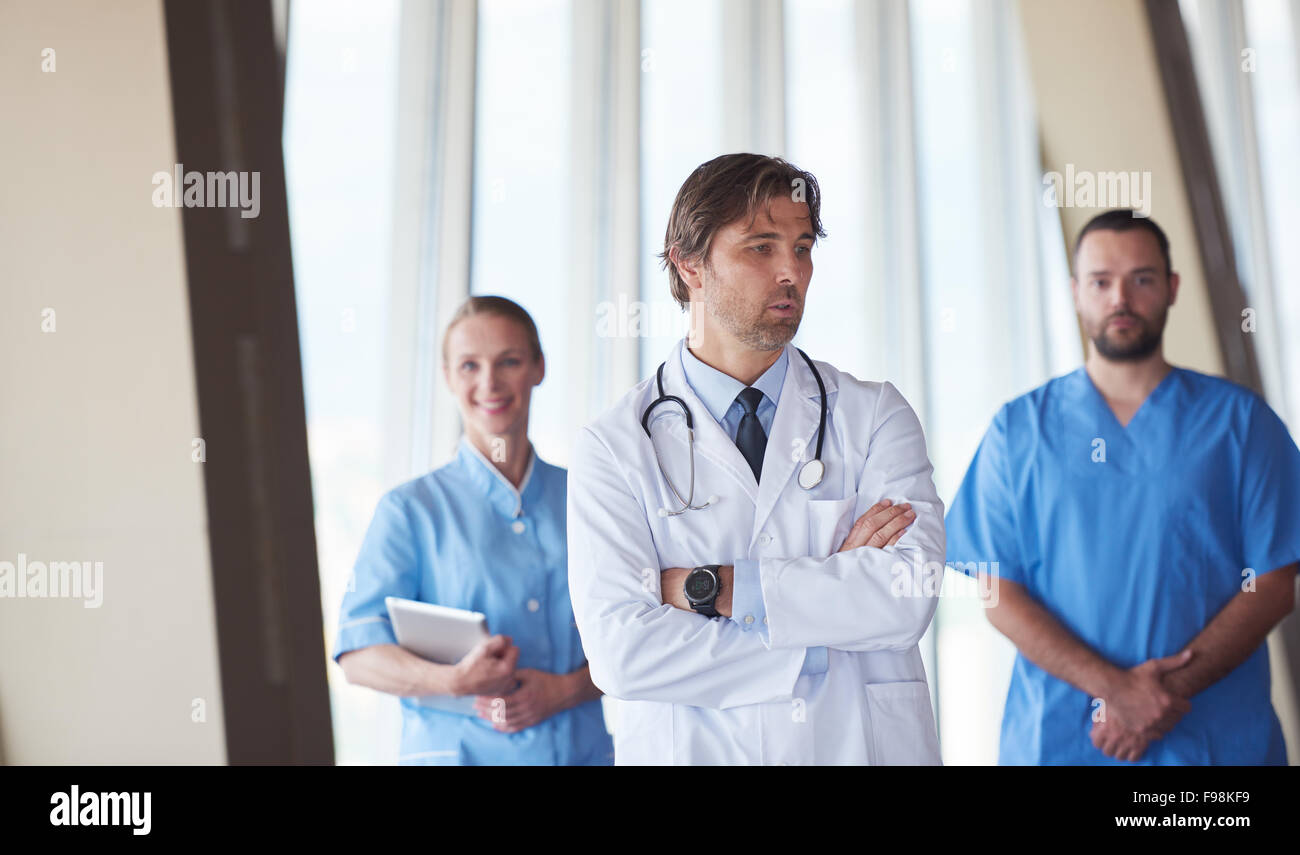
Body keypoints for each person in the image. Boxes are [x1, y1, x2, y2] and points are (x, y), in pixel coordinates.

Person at [566, 153, 945, 765]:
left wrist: (709, 588)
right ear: (690, 264)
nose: (791, 272)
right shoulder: (616, 446)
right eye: (761, 248)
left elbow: (906, 595)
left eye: (802, 248)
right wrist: (820, 631)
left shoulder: (874, 416)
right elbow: (621, 651)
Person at [946, 209, 1300, 764]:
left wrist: (1160, 696)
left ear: (1172, 288)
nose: (1121, 299)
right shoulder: (1017, 431)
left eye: (1142, 279)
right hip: (1063, 742)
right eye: (1101, 282)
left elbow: (1275, 583)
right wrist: (1116, 690)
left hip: (1213, 746)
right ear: (1075, 293)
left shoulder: (1241, 424)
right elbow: (998, 594)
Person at [333, 296, 614, 765]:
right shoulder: (410, 511)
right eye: (469, 366)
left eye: (509, 361)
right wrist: (453, 683)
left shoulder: (588, 499)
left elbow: (641, 633)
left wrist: (566, 690)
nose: (489, 383)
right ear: (447, 376)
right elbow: (358, 655)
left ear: (539, 368)